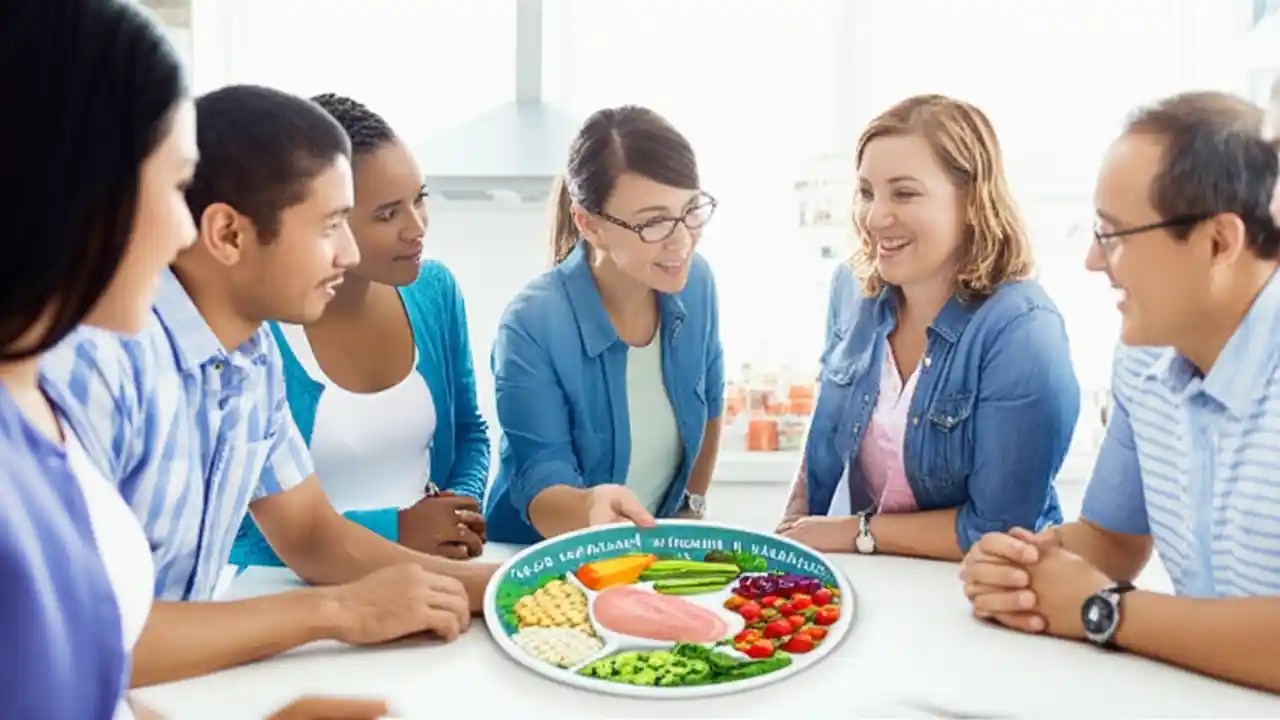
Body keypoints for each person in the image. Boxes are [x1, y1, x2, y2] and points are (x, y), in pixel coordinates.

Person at [2, 2, 393, 718]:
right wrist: (335, 613)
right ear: (80, 187)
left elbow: (86, 683)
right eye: (176, 185)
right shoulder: (80, 376)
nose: (183, 228)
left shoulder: (30, 412)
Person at [42, 84, 492, 689]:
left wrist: (502, 590)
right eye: (331, 226)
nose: (349, 252)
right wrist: (333, 613)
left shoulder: (253, 357)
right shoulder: (97, 363)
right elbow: (78, 639)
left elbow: (310, 533)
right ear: (228, 234)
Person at [960, 91, 1280, 693]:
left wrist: (1105, 611)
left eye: (1113, 234)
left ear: (1219, 243)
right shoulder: (1144, 359)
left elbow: (1103, 595)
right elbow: (1113, 538)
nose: (1091, 260)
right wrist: (1024, 564)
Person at [777, 95, 1080, 560]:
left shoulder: (1021, 330)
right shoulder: (851, 290)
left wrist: (851, 533)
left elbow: (997, 529)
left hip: (982, 591)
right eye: (866, 192)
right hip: (870, 576)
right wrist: (788, 533)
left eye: (905, 193)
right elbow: (827, 430)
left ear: (972, 201)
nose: (875, 217)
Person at [230, 94, 488, 567]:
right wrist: (397, 529)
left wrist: (458, 516)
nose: (417, 228)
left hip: (430, 573)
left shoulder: (434, 292)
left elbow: (471, 433)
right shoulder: (256, 340)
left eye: (420, 200)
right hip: (291, 593)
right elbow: (238, 536)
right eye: (388, 214)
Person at [483, 106, 725, 544]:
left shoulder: (696, 283)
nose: (682, 240)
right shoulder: (532, 324)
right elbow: (540, 475)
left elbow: (710, 402)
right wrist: (590, 508)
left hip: (642, 555)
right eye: (653, 222)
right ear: (589, 225)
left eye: (691, 210)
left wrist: (690, 508)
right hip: (539, 558)